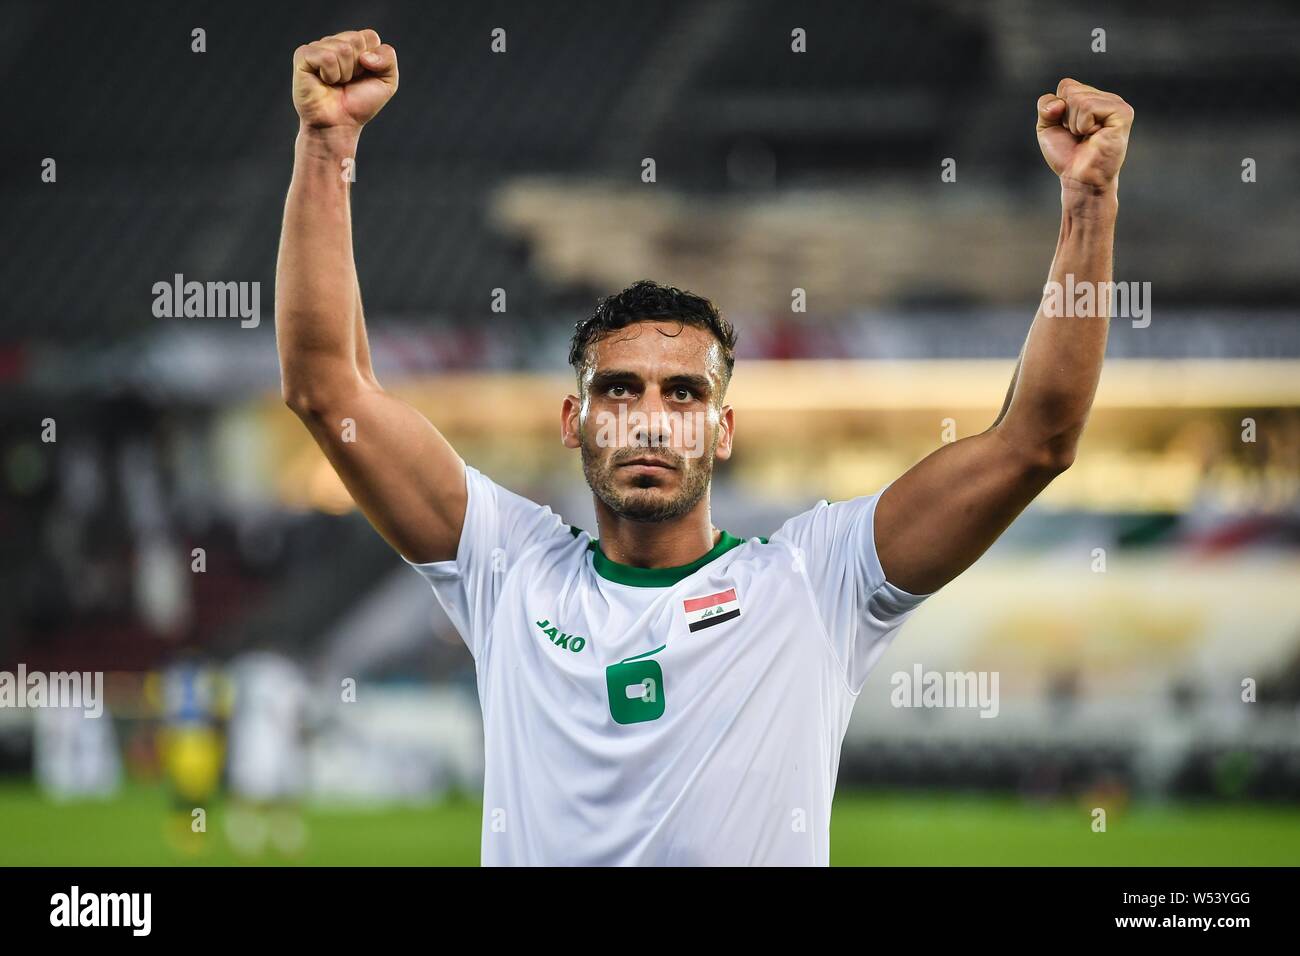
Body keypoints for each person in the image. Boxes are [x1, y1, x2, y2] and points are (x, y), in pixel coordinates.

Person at [275, 29, 1133, 865]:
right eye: (619, 389)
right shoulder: (507, 570)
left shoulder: (815, 583)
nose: (650, 418)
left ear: (722, 431)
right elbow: (327, 388)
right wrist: (326, 141)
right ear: (574, 421)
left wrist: (1090, 202)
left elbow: (1036, 441)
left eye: (684, 393)